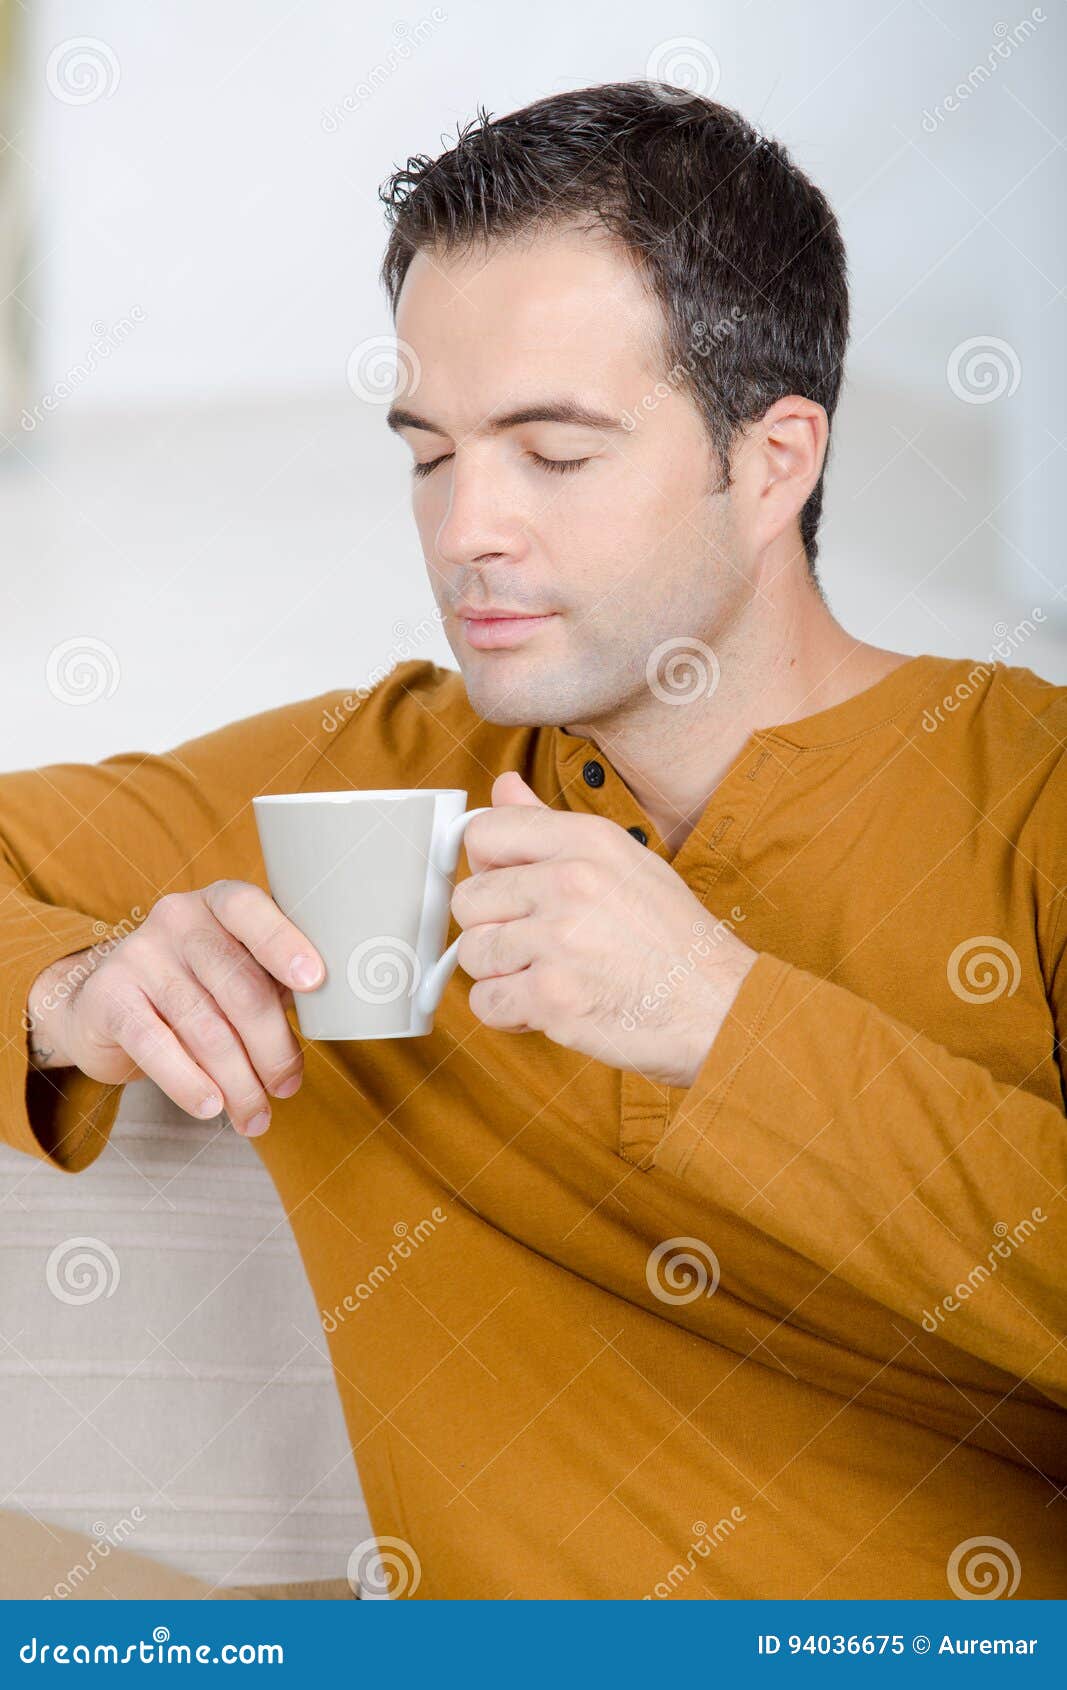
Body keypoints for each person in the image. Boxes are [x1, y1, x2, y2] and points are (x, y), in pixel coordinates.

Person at [3, 82, 1064, 1600]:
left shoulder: (1030, 794)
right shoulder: (371, 787)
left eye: (552, 454)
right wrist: (73, 986)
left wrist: (724, 1022)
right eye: (430, 455)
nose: (463, 531)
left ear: (774, 463)